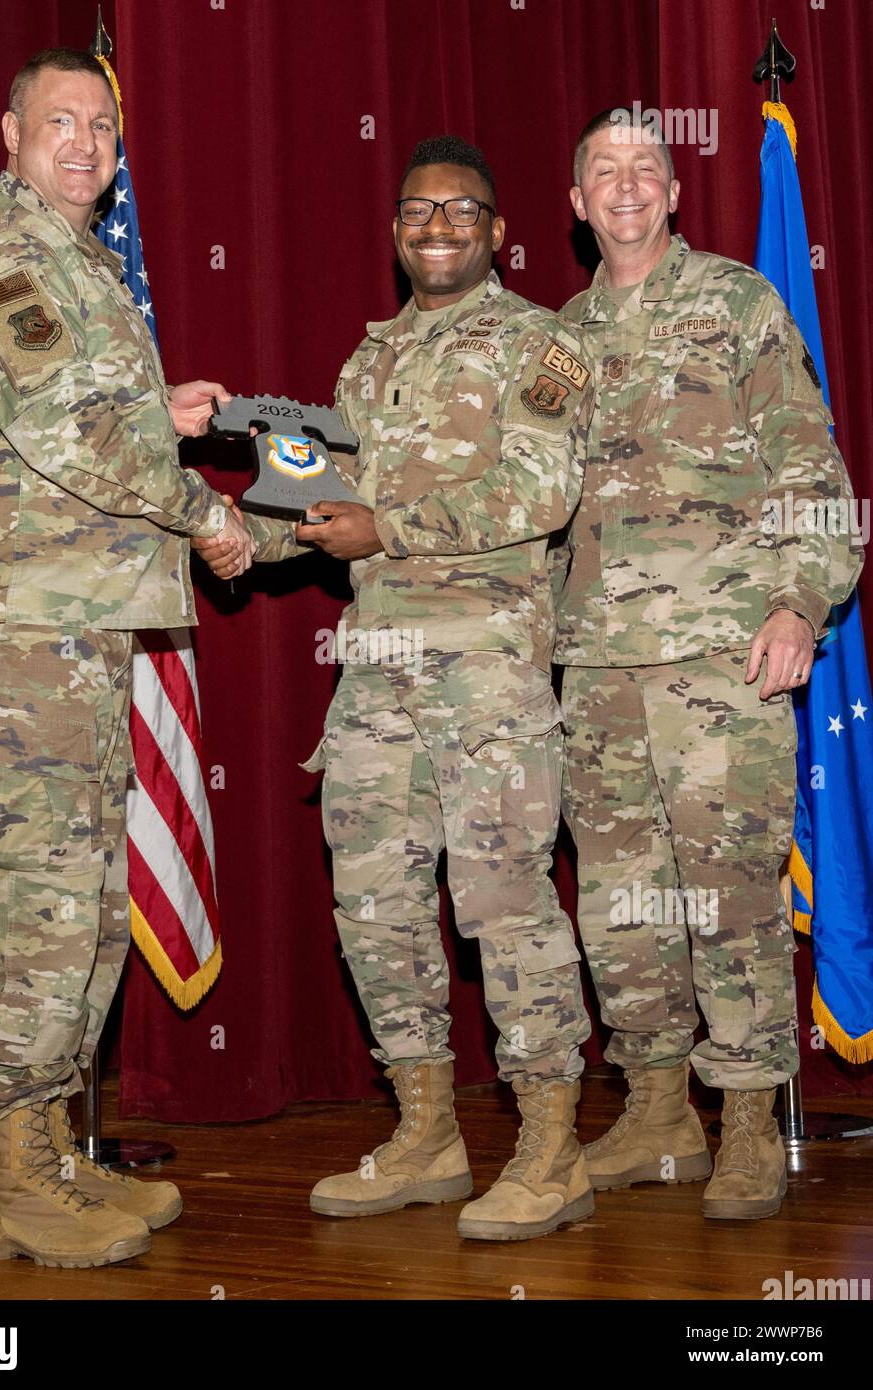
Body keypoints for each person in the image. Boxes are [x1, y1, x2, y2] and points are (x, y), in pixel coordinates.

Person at [200, 136, 595, 1241]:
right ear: (393, 231)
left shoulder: (543, 346)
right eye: (416, 210)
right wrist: (233, 533)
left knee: (502, 902)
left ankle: (551, 1147)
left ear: (498, 231)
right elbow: (322, 503)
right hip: (373, 673)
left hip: (485, 669)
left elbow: (541, 487)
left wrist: (391, 526)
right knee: (371, 903)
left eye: (459, 211)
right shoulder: (366, 364)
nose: (435, 227)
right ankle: (425, 1132)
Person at [0, 47, 253, 1268]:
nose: (82, 145)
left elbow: (81, 417)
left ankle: (51, 1149)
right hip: (11, 630)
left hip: (78, 624)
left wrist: (156, 417)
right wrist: (207, 514)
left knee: (88, 911)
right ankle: (8, 1176)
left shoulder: (88, 267)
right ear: (8, 136)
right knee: (35, 911)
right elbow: (65, 432)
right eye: (58, 123)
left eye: (101, 130)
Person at [554, 108, 863, 1219]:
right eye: (604, 171)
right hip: (593, 669)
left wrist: (796, 601)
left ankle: (741, 1118)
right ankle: (652, 1107)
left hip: (722, 661)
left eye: (647, 167)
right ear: (577, 202)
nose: (627, 187)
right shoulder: (556, 341)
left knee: (727, 898)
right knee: (620, 901)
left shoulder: (736, 301)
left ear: (673, 194)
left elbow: (808, 462)